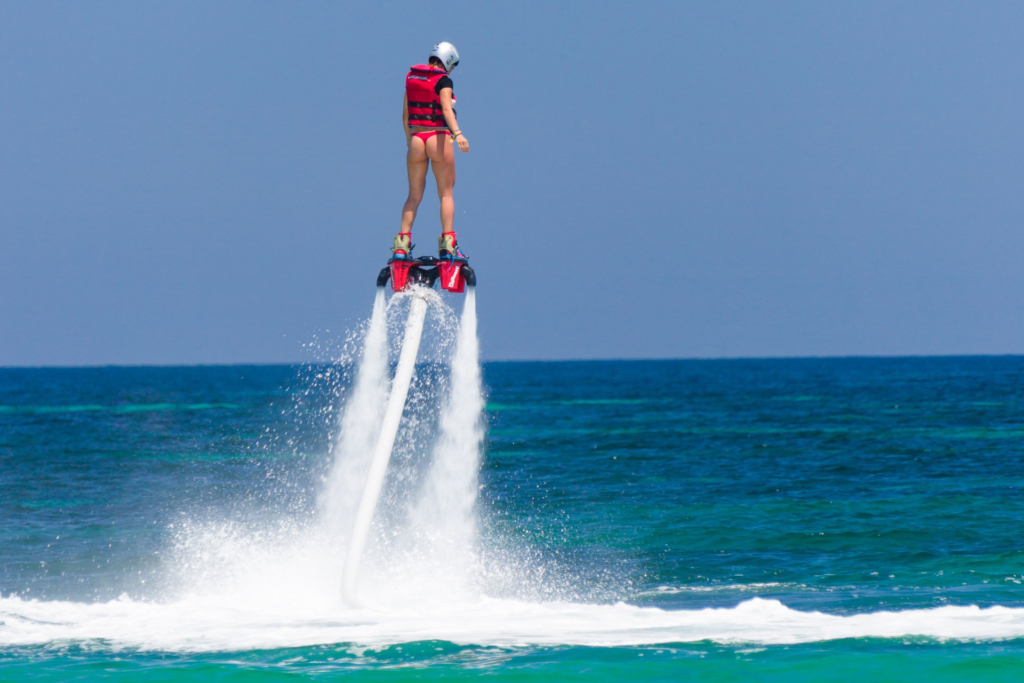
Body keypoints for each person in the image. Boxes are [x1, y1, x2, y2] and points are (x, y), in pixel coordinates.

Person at [392, 41, 470, 261]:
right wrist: (458, 133)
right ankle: (448, 245)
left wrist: (409, 139)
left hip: (416, 139)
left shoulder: (412, 78)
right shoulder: (443, 80)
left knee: (413, 196)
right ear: (447, 61)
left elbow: (405, 114)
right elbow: (446, 109)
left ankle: (401, 246)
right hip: (438, 138)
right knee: (446, 193)